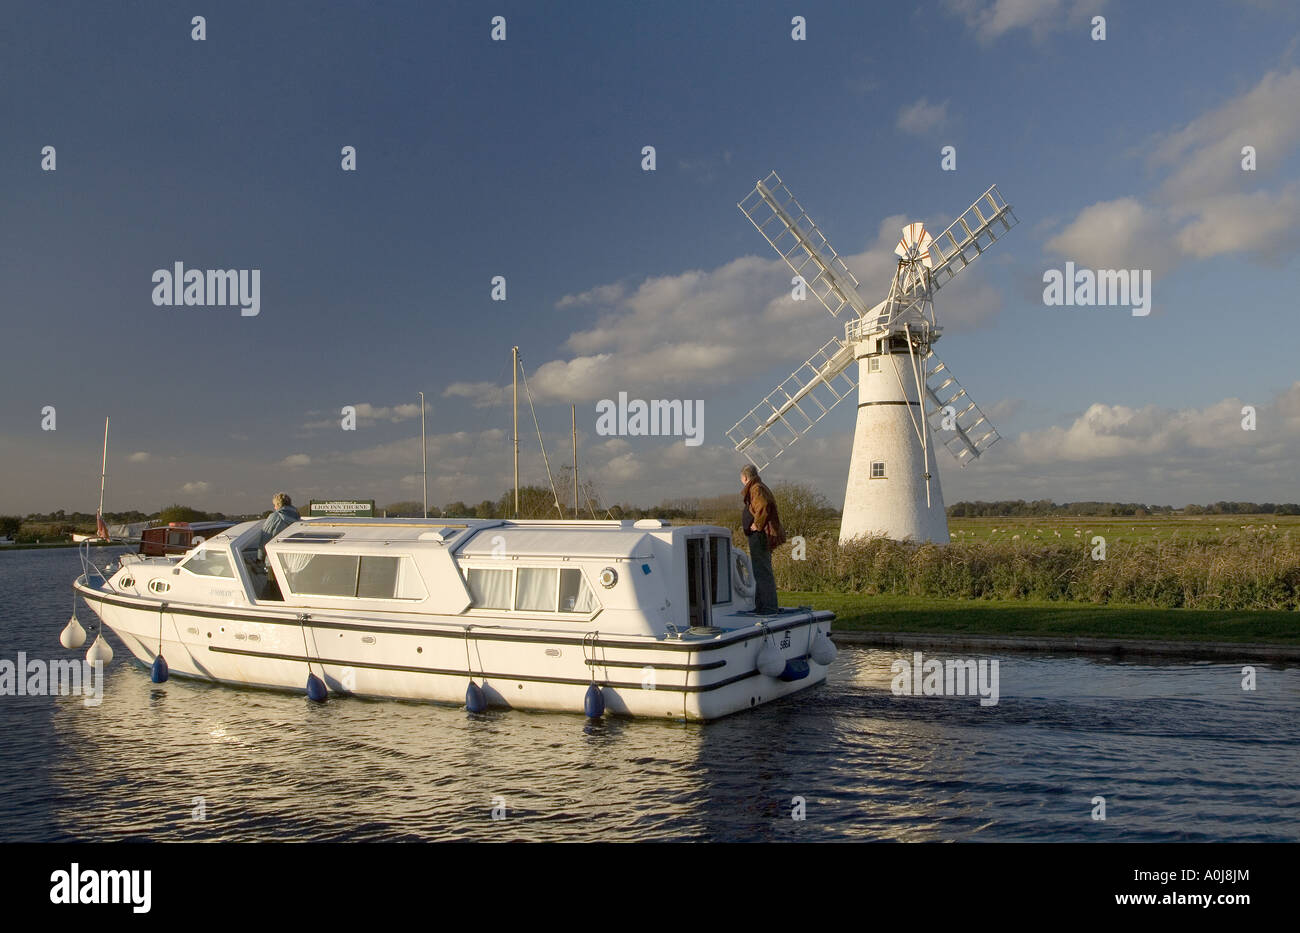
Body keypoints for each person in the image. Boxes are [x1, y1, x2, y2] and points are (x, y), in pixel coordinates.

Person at [740, 465, 783, 614]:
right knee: (760, 571)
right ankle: (762, 606)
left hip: (761, 535)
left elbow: (763, 506)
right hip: (762, 535)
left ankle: (768, 608)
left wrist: (757, 525)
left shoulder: (756, 488)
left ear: (745, 477)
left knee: (762, 572)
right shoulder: (759, 487)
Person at [257, 492, 301, 561]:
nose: (274, 507)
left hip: (274, 559)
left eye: (274, 505)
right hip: (292, 559)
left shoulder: (274, 517)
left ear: (278, 504)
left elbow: (265, 538)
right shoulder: (297, 518)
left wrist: (260, 558)